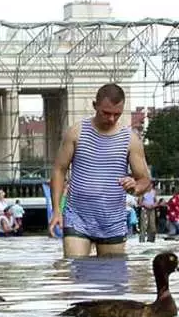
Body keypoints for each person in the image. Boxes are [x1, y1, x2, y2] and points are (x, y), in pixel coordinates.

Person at [48, 83, 151, 257]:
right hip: (77, 217)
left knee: (111, 278)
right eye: (106, 113)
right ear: (95, 105)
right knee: (74, 273)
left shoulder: (131, 140)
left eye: (117, 114)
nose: (111, 119)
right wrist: (57, 210)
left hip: (112, 221)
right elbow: (59, 170)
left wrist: (135, 186)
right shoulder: (76, 133)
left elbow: (145, 180)